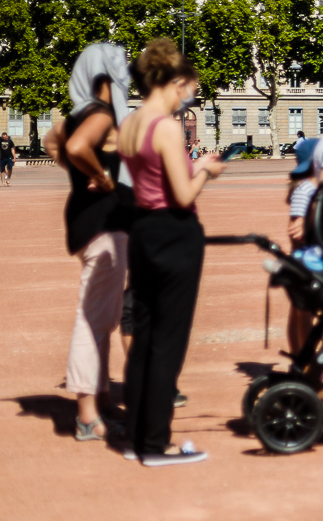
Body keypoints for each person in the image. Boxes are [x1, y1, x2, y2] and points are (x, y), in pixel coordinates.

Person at [118, 39, 225, 466]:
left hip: (142, 229)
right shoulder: (166, 126)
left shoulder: (130, 122)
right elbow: (181, 194)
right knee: (168, 340)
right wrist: (206, 171)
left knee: (144, 335)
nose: (190, 94)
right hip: (174, 231)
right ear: (176, 81)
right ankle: (155, 442)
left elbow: (148, 179)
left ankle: (138, 434)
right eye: (189, 86)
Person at [43, 43, 136, 443]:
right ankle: (87, 415)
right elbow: (77, 147)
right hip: (104, 226)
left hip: (89, 223)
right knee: (93, 318)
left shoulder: (77, 115)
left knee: (103, 316)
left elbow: (55, 143)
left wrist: (79, 174)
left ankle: (98, 401)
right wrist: (101, 175)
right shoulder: (99, 115)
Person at [284, 137, 318, 355]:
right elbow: (295, 231)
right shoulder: (305, 189)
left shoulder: (306, 187)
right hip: (305, 259)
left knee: (299, 312)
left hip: (304, 258)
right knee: (303, 312)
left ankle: (300, 358)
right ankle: (303, 358)